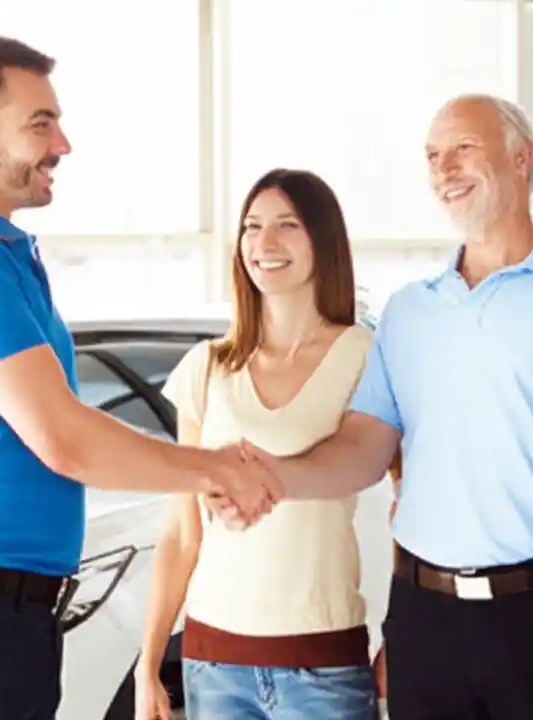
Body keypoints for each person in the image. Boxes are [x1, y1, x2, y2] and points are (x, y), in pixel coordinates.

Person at [0, 34, 278, 720]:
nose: (63, 144)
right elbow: (63, 436)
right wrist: (213, 470)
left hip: (1, 619)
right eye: (41, 123)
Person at [225, 94, 533, 719]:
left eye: (463, 149)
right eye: (432, 156)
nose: (444, 170)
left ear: (521, 158)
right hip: (423, 617)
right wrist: (274, 476)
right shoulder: (409, 311)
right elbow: (362, 450)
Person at [133, 168, 381, 720]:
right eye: (251, 226)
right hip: (213, 663)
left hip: (324, 665)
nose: (264, 244)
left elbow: (411, 504)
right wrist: (148, 660)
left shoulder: (366, 355)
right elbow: (181, 533)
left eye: (286, 225)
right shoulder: (207, 367)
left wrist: (402, 638)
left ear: (324, 240)